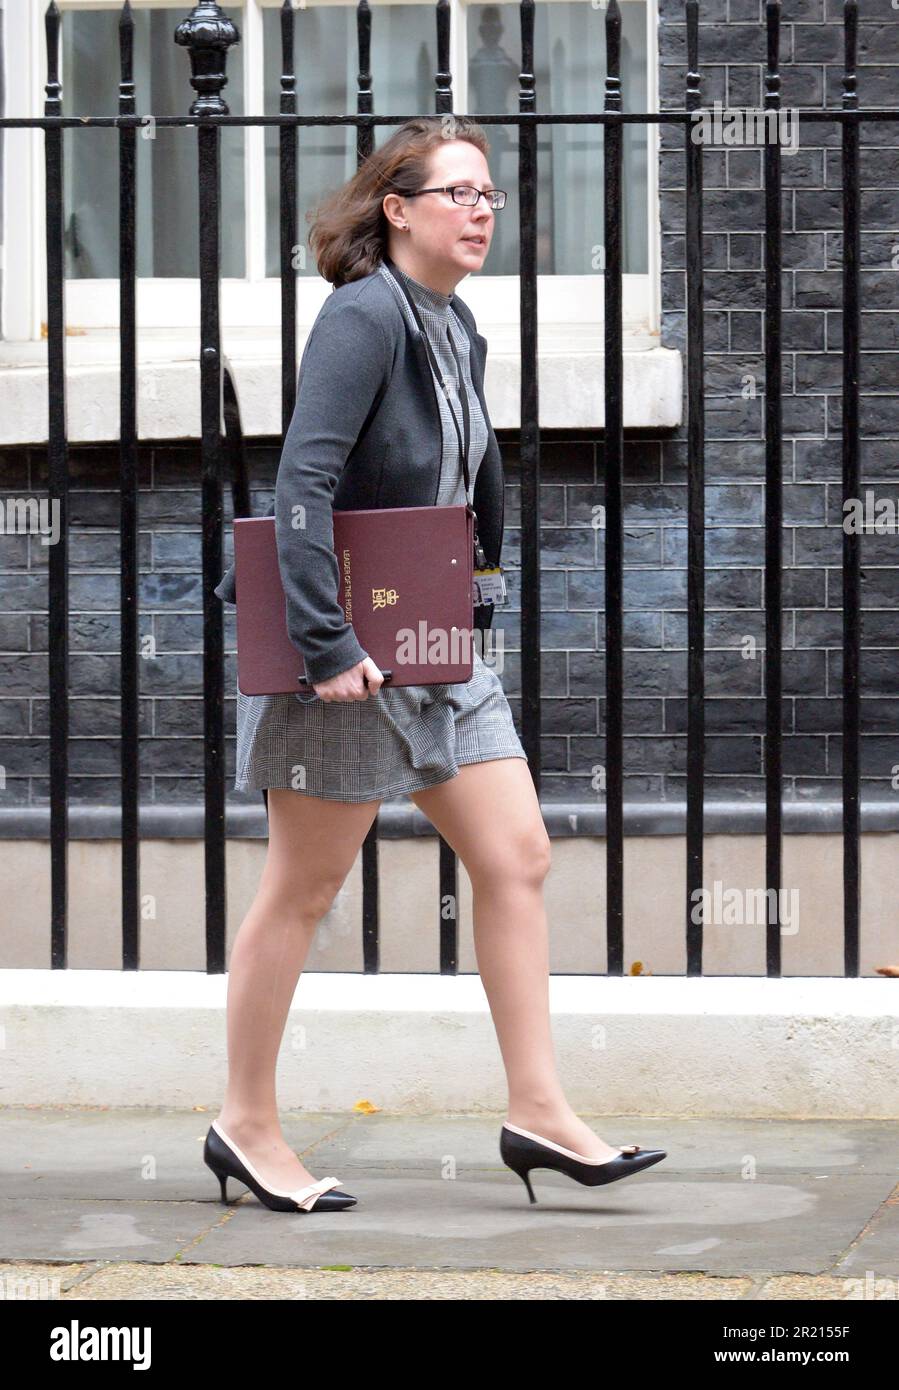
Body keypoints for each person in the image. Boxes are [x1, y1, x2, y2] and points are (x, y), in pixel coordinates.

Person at [203, 116, 666, 1213]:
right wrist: (326, 644)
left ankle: (538, 1109)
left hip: (435, 645)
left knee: (517, 857)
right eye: (457, 192)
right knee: (304, 886)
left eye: (490, 194)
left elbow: (467, 478)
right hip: (350, 652)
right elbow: (303, 482)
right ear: (395, 209)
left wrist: (480, 591)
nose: (480, 210)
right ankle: (246, 1124)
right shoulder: (365, 316)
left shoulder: (454, 328)